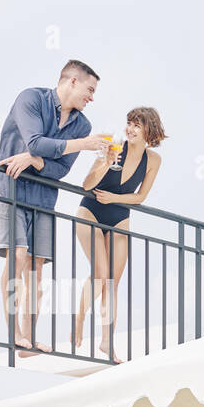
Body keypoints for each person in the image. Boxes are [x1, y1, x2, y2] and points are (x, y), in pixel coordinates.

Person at [0, 60, 110, 356]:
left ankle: (29, 341)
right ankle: (13, 334)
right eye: (90, 89)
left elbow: (60, 170)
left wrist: (35, 160)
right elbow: (35, 141)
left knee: (36, 269)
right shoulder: (30, 98)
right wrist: (80, 145)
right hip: (11, 186)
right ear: (72, 81)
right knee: (18, 254)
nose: (92, 97)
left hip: (45, 197)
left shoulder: (82, 125)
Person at [73, 107, 165, 362]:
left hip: (120, 215)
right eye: (129, 123)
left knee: (113, 282)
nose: (130, 129)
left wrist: (114, 198)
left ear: (149, 130)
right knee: (100, 275)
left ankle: (106, 341)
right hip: (90, 210)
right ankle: (79, 318)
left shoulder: (154, 160)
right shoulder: (114, 147)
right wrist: (105, 163)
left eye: (137, 125)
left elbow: (140, 197)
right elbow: (87, 185)